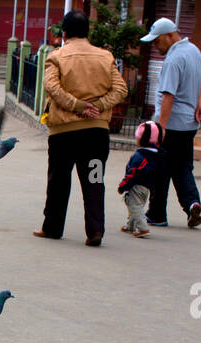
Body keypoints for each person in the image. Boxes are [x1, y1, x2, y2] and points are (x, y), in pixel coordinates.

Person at [33, 9, 128, 246]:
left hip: (64, 134)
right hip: (96, 134)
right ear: (88, 32)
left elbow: (51, 87)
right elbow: (120, 89)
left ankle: (53, 227)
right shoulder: (105, 57)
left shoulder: (56, 57)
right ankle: (95, 230)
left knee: (59, 180)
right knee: (95, 180)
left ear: (64, 33)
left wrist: (76, 105)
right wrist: (96, 106)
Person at [140, 17, 201, 229]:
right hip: (189, 125)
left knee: (161, 171)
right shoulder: (194, 51)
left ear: (169, 36)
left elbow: (168, 95)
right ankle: (192, 203)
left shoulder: (173, 59)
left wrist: (160, 128)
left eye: (157, 41)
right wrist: (200, 104)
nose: (156, 46)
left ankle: (157, 214)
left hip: (172, 125)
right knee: (183, 167)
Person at [117, 120, 163, 238]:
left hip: (137, 186)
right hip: (148, 187)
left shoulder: (140, 156)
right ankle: (130, 225)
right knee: (136, 205)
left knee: (134, 206)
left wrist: (123, 186)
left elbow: (132, 173)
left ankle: (143, 228)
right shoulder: (157, 156)